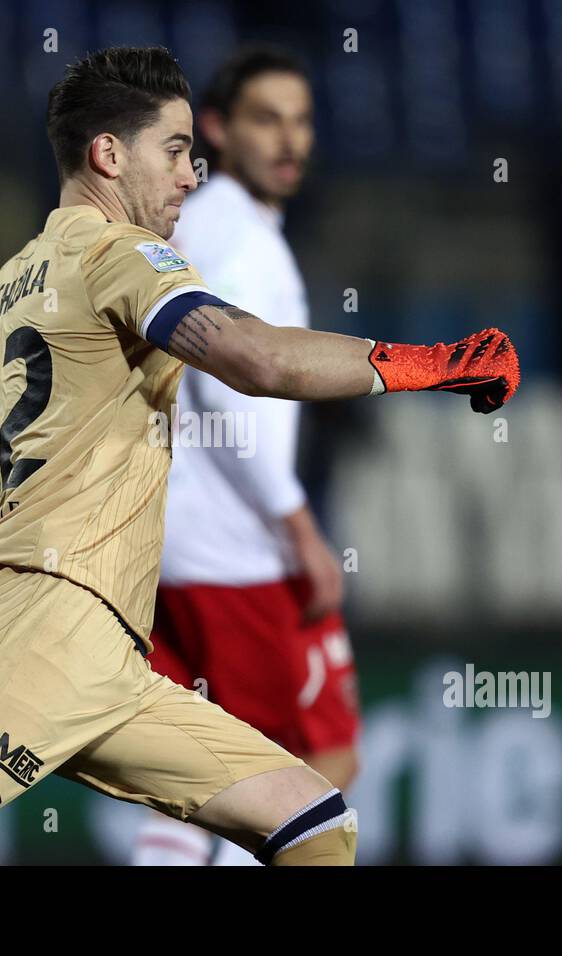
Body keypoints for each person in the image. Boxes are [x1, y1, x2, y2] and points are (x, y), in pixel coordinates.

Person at [0, 46, 520, 868]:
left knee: (313, 822)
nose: (193, 173)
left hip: (104, 653)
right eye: (175, 150)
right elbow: (258, 359)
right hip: (41, 617)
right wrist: (432, 364)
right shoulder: (126, 258)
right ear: (109, 154)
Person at [132, 48, 359, 867]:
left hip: (170, 543)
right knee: (293, 775)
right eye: (267, 119)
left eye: (301, 120)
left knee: (200, 770)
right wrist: (298, 526)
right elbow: (225, 389)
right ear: (219, 131)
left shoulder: (198, 224)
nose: (290, 139)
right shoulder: (241, 241)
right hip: (231, 552)